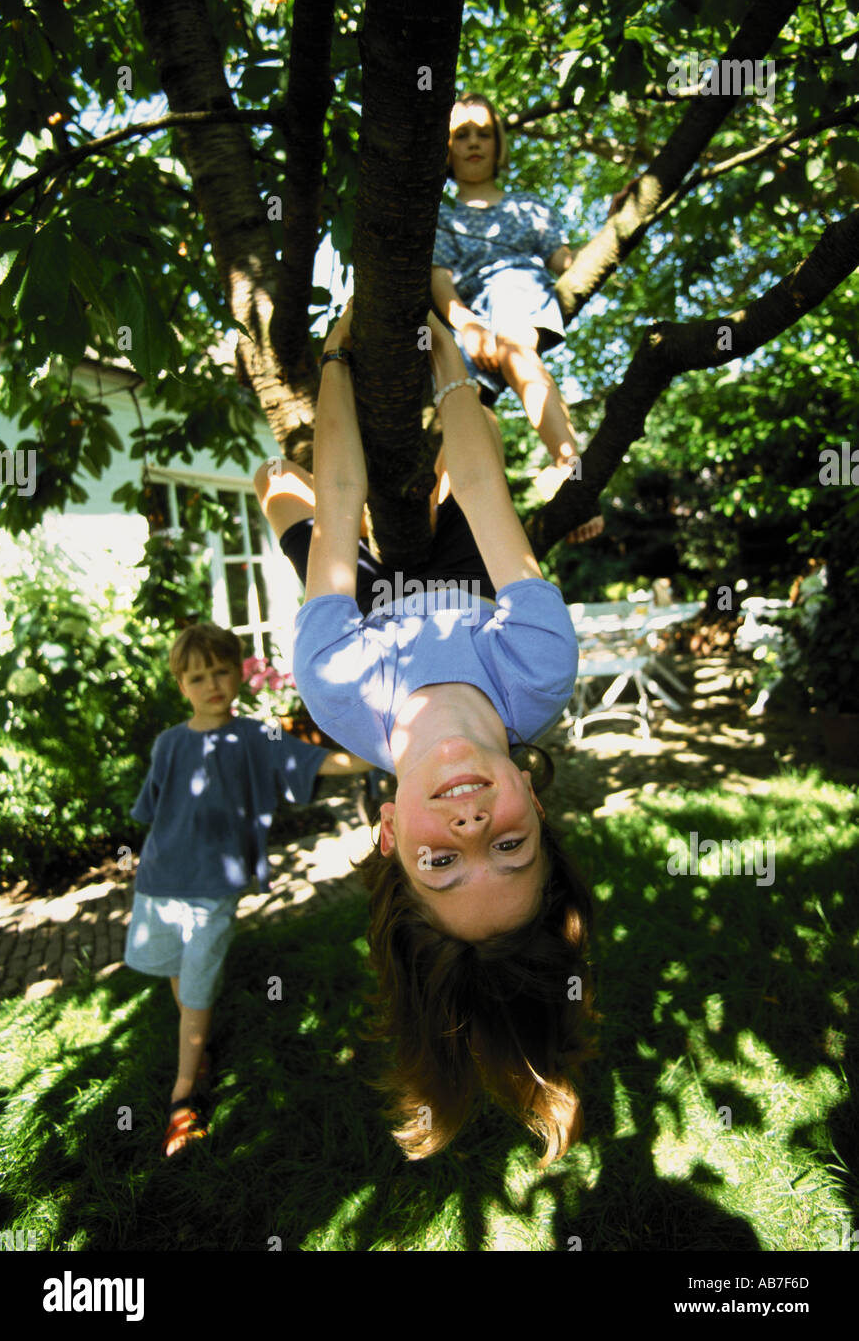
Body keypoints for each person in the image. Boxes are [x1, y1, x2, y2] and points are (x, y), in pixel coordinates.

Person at [254, 304, 596, 1166]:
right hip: (465, 582)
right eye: (511, 846)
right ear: (536, 811)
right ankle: (411, 486)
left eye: (441, 862)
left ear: (390, 833)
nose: (474, 831)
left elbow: (332, 495)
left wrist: (335, 355)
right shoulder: (539, 666)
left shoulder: (336, 688)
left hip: (363, 610)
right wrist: (448, 360)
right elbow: (490, 494)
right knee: (456, 465)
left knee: (277, 482)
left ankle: (374, 518)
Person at [124, 620, 370, 1158]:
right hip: (161, 880)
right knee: (175, 968)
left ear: (239, 673)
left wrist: (382, 753)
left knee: (197, 987)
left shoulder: (257, 736)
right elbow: (151, 809)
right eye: (196, 677)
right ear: (181, 685)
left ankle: (183, 1096)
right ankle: (200, 1048)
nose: (211, 684)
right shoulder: (168, 744)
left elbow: (317, 762)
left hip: (215, 885)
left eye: (220, 670)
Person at [431, 91, 605, 544]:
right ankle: (451, 534)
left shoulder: (527, 207)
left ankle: (568, 461)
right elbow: (440, 281)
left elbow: (566, 263)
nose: (473, 143)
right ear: (445, 147)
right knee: (464, 409)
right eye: (461, 134)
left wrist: (614, 228)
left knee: (513, 341)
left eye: (483, 133)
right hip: (470, 320)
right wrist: (466, 325)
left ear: (499, 143)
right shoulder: (440, 217)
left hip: (516, 294)